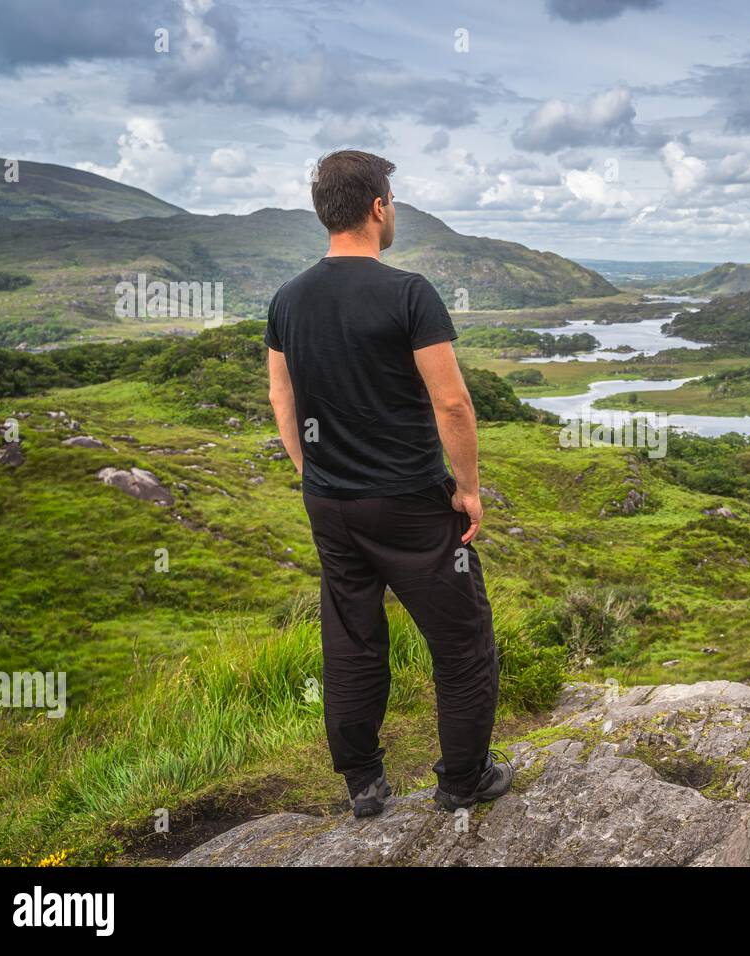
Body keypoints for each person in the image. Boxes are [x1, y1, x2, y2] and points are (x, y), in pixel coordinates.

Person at [264, 149, 512, 818]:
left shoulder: (288, 299)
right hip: (408, 500)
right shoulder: (408, 293)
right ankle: (463, 779)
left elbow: (282, 399)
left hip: (331, 503)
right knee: (462, 640)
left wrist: (310, 472)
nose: (394, 211)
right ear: (378, 208)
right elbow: (453, 402)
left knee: (350, 638)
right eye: (392, 202)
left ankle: (364, 783)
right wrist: (468, 488)